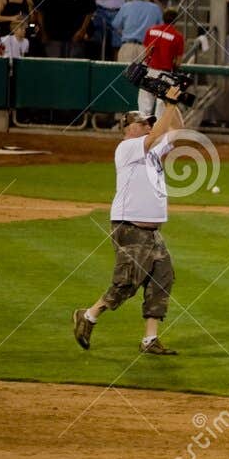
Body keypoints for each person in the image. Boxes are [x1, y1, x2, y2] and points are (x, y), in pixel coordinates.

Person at [73, 95, 199, 355]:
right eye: (144, 123)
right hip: (129, 227)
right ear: (129, 127)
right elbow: (156, 135)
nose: (149, 126)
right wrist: (169, 104)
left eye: (151, 123)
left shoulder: (152, 151)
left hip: (152, 233)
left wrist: (171, 102)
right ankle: (88, 315)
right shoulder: (127, 147)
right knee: (127, 282)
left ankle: (149, 340)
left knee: (162, 279)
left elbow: (176, 130)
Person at [136, 8, 185, 118]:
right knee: (161, 108)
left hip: (149, 71)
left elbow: (147, 52)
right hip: (165, 75)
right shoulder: (178, 37)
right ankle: (158, 129)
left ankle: (143, 127)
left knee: (144, 107)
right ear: (176, 20)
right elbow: (178, 62)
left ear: (163, 18)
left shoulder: (151, 30)